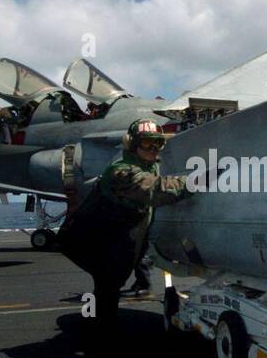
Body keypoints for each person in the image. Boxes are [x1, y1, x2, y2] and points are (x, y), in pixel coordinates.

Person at [59, 120, 191, 335]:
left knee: (108, 283)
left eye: (157, 144)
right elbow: (152, 189)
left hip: (113, 243)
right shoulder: (120, 171)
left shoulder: (147, 165)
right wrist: (194, 181)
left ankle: (94, 321)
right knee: (108, 284)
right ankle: (102, 332)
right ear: (131, 144)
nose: (153, 149)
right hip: (90, 243)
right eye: (147, 143)